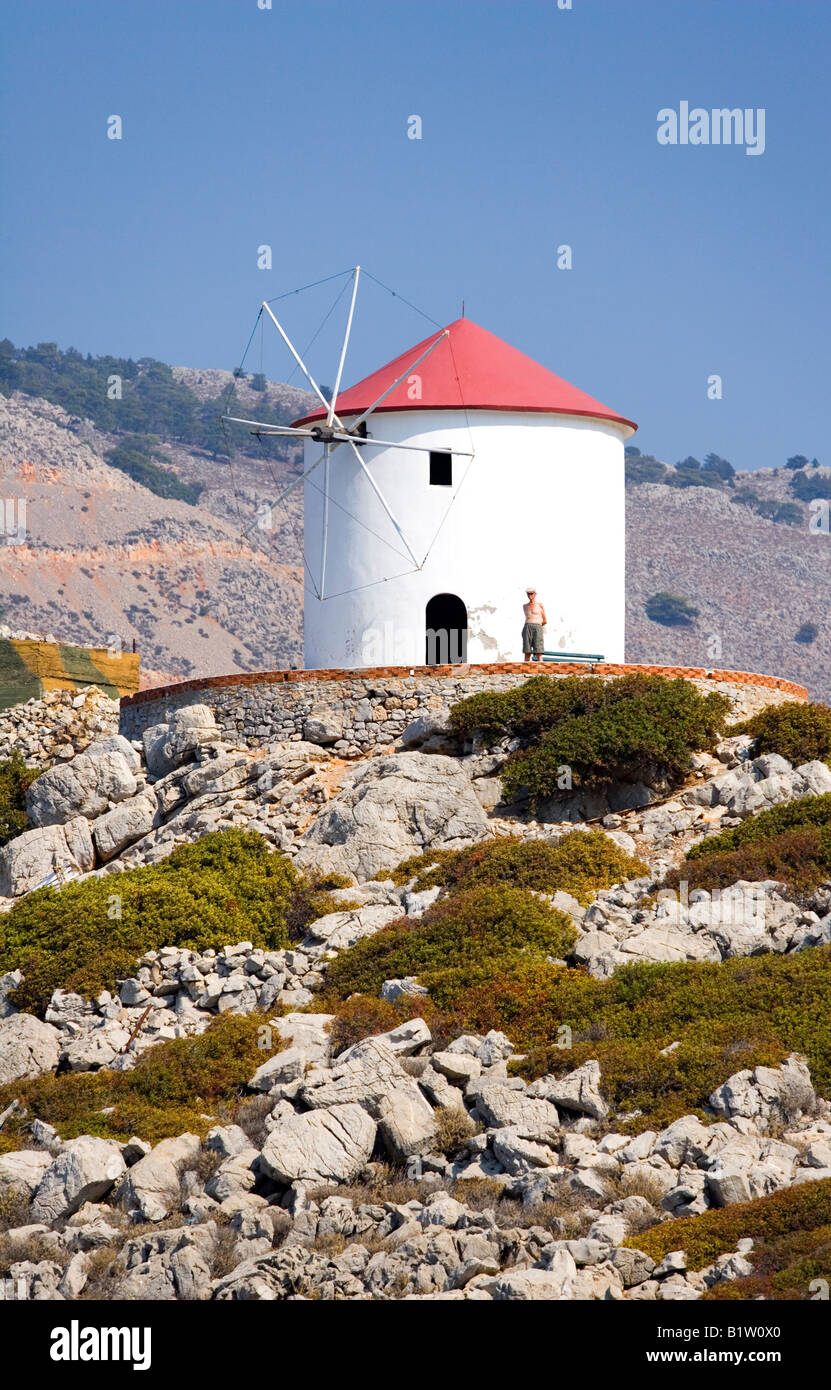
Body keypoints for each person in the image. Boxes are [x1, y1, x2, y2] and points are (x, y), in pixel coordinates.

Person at [522, 587, 547, 662]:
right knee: (527, 651)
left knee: (539, 651)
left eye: (532, 593)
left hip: (537, 627)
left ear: (535, 594)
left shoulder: (540, 605)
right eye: (528, 593)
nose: (530, 595)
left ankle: (541, 670)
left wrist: (538, 627)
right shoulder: (525, 606)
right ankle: (525, 669)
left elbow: (545, 620)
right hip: (527, 627)